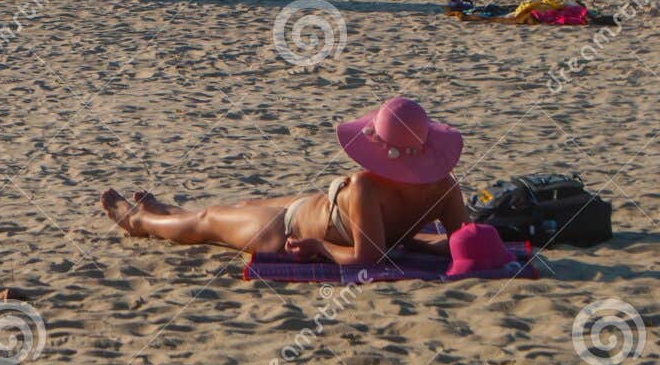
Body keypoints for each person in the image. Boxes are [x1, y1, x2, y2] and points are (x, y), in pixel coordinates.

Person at [101, 96, 467, 265]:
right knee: (236, 209)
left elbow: (364, 258)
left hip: (289, 228)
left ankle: (140, 221)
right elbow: (459, 243)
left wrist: (319, 248)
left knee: (210, 219)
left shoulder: (366, 187)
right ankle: (168, 210)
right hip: (311, 208)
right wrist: (413, 243)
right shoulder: (444, 186)